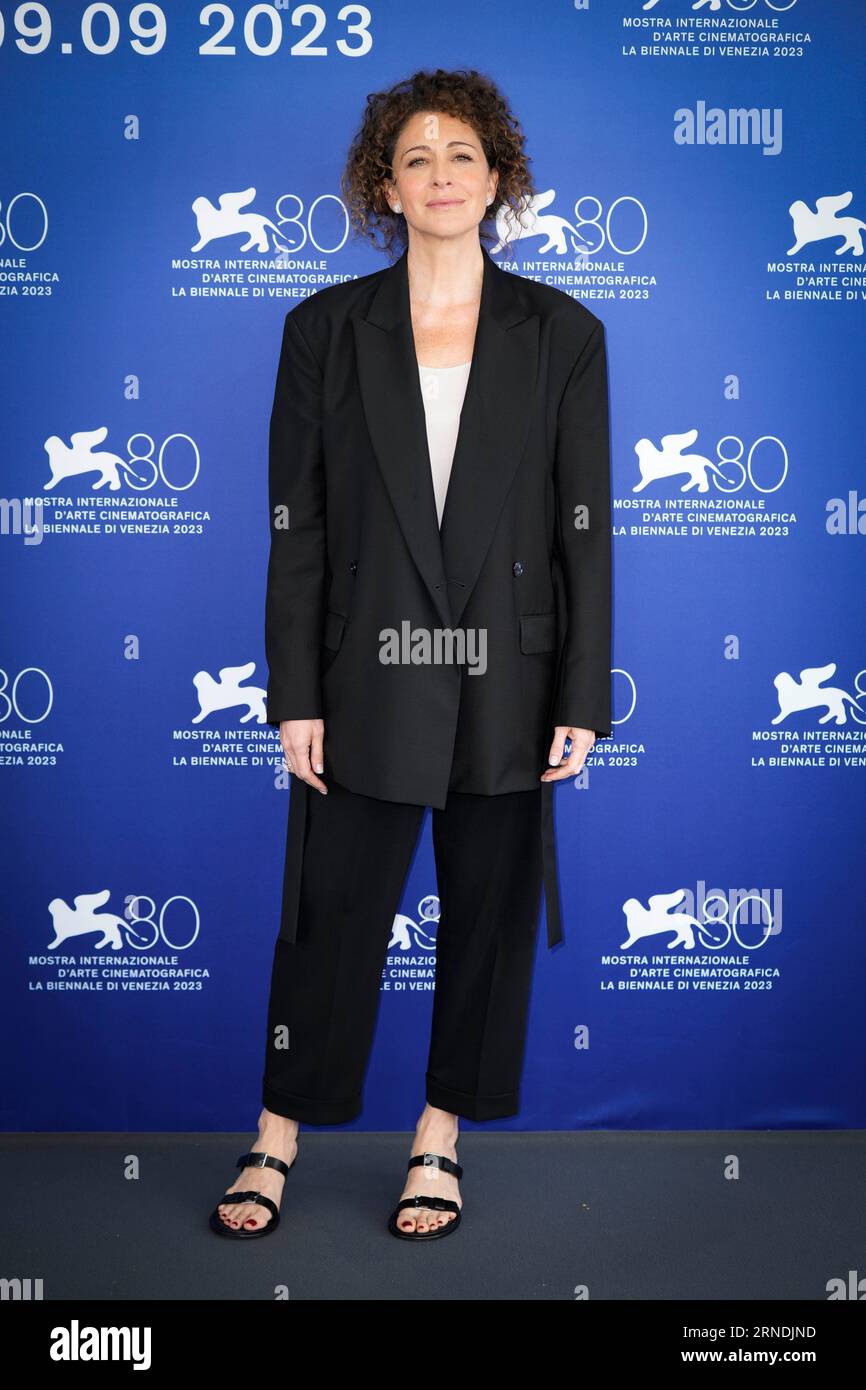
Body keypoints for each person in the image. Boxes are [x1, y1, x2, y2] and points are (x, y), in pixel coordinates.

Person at [209, 67, 612, 1241]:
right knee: (325, 914)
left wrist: (580, 691)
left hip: (511, 677)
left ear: (499, 179)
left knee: (486, 921)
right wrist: (294, 689)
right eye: (417, 157)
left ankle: (436, 1141)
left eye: (463, 156)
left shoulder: (565, 335)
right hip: (361, 673)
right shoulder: (323, 331)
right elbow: (296, 529)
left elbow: (583, 525)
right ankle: (275, 1133)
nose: (442, 176)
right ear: (383, 183)